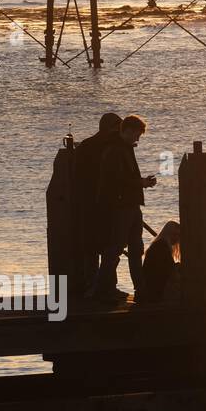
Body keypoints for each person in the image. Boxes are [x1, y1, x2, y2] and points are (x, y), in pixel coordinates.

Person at [89, 114, 157, 302]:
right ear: (127, 130)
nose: (138, 138)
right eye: (137, 134)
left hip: (131, 205)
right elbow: (116, 180)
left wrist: (141, 183)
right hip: (121, 207)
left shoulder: (124, 148)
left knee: (136, 248)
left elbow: (123, 178)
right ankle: (100, 290)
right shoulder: (114, 151)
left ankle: (140, 290)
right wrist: (140, 183)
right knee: (115, 249)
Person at [74, 112, 123, 296]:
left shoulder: (85, 146)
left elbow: (77, 178)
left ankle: (94, 285)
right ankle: (106, 287)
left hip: (89, 204)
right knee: (107, 246)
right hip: (103, 204)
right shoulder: (111, 147)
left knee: (93, 248)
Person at [138, 220, 182, 304]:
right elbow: (168, 270)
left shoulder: (159, 244)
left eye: (178, 235)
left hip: (152, 287)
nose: (177, 238)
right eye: (175, 235)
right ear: (169, 234)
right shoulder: (162, 247)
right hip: (155, 290)